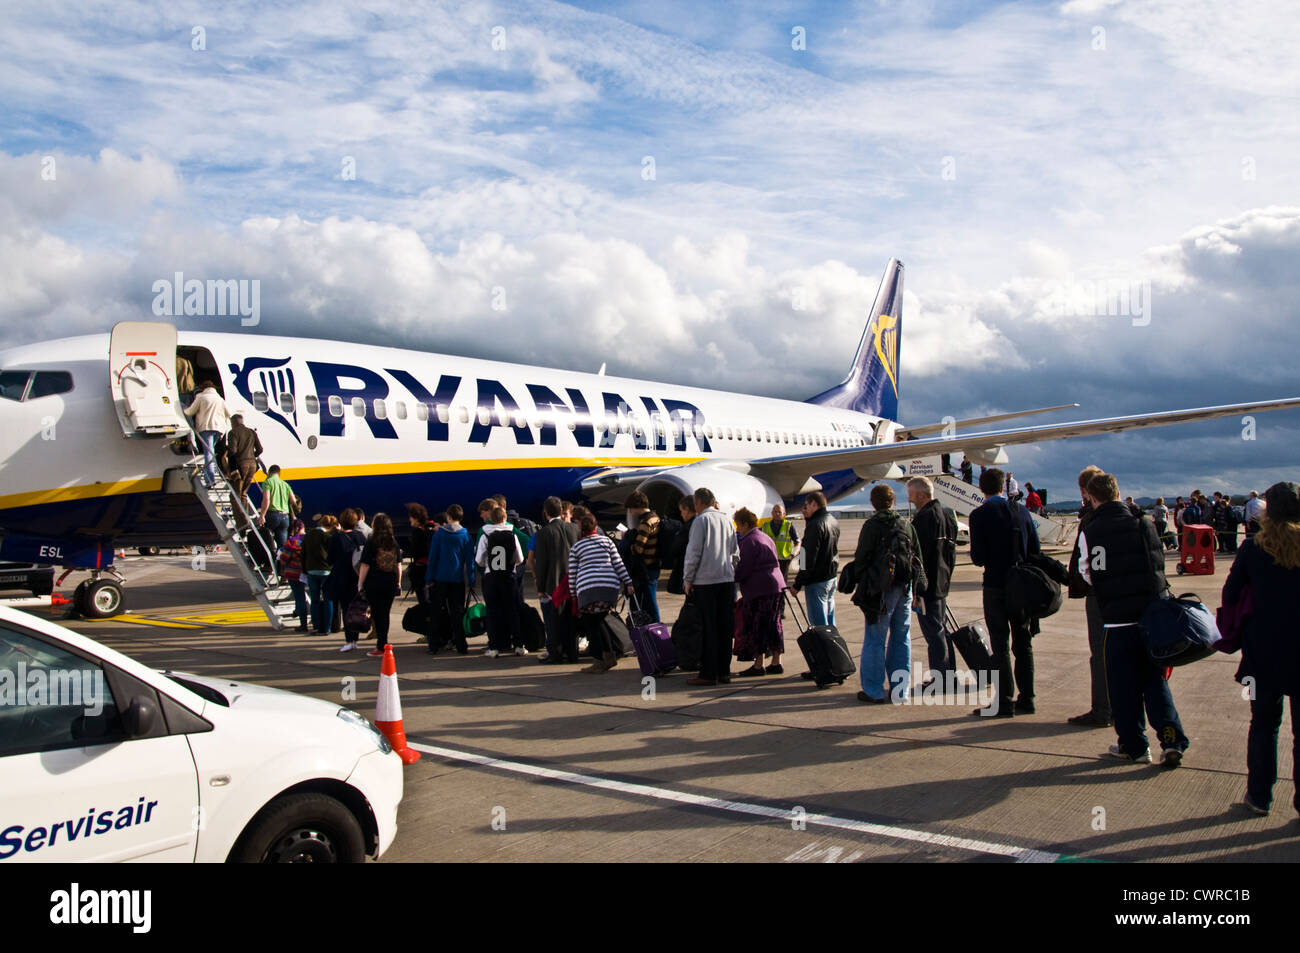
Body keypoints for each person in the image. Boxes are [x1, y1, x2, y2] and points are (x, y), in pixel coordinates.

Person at [1078, 472, 1188, 766]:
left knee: (1123, 687)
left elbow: (1088, 572)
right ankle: (1171, 739)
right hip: (1149, 618)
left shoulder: (1092, 530)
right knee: (1154, 682)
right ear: (1117, 492)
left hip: (1117, 621)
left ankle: (1135, 746)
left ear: (1092, 496)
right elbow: (1157, 563)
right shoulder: (1143, 523)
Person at [1221, 481, 1300, 815]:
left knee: (1264, 724)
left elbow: (1230, 595)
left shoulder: (1253, 549)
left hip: (1263, 650)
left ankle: (1259, 795)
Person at [969, 467, 1040, 718]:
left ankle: (1004, 700)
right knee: (1024, 642)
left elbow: (978, 558)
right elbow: (1036, 549)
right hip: (1021, 584)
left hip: (996, 585)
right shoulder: (1022, 512)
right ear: (1003, 487)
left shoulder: (979, 515)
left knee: (1000, 644)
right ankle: (1028, 698)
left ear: (981, 487)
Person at [1066, 465, 1112, 729]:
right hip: (1126, 596)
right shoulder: (1132, 516)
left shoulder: (1091, 522)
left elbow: (1089, 567)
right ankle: (1119, 707)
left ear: (1086, 491)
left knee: (1100, 653)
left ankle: (1102, 709)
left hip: (1100, 596)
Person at [682, 488, 739, 686]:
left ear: (698, 503)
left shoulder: (700, 521)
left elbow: (693, 554)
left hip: (706, 582)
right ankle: (724, 672)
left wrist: (687, 580)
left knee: (708, 628)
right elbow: (735, 552)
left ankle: (707, 673)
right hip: (726, 580)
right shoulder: (726, 520)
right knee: (725, 628)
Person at [567, 507, 635, 673]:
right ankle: (608, 655)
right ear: (595, 527)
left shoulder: (577, 547)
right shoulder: (607, 541)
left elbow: (572, 573)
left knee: (592, 624)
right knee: (599, 620)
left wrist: (573, 594)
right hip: (609, 587)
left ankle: (602, 658)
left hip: (588, 589)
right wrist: (628, 582)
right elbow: (618, 564)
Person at [908, 477, 958, 690]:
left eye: (911, 494)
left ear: (921, 495)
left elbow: (918, 556)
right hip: (942, 579)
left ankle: (942, 679)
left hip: (928, 584)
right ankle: (949, 674)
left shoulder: (924, 519)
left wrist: (917, 587)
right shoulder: (947, 515)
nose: (909, 499)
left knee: (934, 632)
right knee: (941, 629)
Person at [733, 508, 786, 677]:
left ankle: (758, 664)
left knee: (759, 625)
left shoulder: (749, 541)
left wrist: (732, 577)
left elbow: (744, 568)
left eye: (739, 525)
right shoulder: (765, 537)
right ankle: (776, 661)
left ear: (745, 524)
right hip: (776, 585)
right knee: (774, 623)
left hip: (761, 588)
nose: (738, 529)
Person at [531, 495, 580, 664]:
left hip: (555, 584)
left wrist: (540, 586)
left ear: (546, 514)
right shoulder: (574, 529)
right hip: (573, 581)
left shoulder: (543, 533)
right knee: (571, 620)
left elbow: (542, 563)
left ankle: (556, 654)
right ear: (561, 511)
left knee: (554, 622)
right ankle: (572, 653)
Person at [476, 505, 525, 657]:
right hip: (509, 576)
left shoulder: (486, 535)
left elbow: (479, 560)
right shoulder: (513, 535)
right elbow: (520, 558)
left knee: (492, 612)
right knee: (513, 610)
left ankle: (494, 647)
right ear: (505, 518)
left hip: (492, 577)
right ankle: (518, 645)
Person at [426, 504, 474, 654]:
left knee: (436, 614)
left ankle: (433, 645)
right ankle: (461, 645)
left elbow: (433, 558)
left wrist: (429, 578)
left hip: (440, 579)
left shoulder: (439, 535)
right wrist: (471, 581)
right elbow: (469, 561)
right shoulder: (466, 536)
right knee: (457, 614)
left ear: (448, 517)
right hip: (457, 580)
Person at [791, 491, 840, 628]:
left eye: (806, 505)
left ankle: (823, 649)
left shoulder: (815, 525)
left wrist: (798, 584)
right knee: (830, 622)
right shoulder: (832, 520)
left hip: (817, 580)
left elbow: (807, 557)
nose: (804, 508)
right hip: (830, 577)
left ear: (814, 504)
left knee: (819, 626)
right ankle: (833, 647)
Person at [357, 513, 402, 657]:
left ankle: (381, 646)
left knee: (377, 613)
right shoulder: (393, 541)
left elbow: (365, 565)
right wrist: (398, 582)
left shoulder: (372, 541)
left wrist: (360, 583)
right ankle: (384, 642)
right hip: (390, 581)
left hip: (374, 581)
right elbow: (399, 564)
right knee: (385, 613)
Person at [328, 508, 366, 653]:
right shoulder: (360, 536)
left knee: (346, 609)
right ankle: (355, 638)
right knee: (357, 608)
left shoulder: (336, 538)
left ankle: (350, 640)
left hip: (342, 577)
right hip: (358, 576)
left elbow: (330, 559)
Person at [621, 490, 662, 622]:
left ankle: (657, 631)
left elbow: (638, 549)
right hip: (654, 565)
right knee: (650, 600)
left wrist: (627, 541)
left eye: (631, 509)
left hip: (647, 567)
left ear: (637, 506)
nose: (630, 512)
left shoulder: (646, 523)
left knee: (650, 602)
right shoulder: (655, 518)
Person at [183, 380, 230, 488]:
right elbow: (228, 413)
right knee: (211, 451)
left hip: (206, 428)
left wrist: (181, 407)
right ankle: (210, 474)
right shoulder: (220, 399)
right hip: (219, 429)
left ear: (204, 388)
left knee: (208, 453)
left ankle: (210, 479)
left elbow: (190, 412)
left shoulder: (201, 397)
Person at [302, 514, 336, 634]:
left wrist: (305, 569)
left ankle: (316, 625)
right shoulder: (327, 536)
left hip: (311, 570)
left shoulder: (308, 535)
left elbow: (303, 553)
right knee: (328, 599)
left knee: (314, 599)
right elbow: (332, 553)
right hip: (326, 570)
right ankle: (327, 627)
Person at [256, 464, 300, 554]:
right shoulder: (285, 484)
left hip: (272, 515)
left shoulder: (268, 482)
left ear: (269, 472)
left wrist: (262, 515)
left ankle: (269, 562)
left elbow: (266, 499)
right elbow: (293, 501)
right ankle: (282, 564)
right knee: (282, 545)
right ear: (279, 473)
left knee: (267, 540)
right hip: (285, 517)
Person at [278, 518, 310, 633]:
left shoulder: (292, 541)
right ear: (303, 528)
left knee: (299, 597)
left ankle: (303, 624)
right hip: (308, 571)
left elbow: (284, 558)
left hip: (294, 573)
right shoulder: (309, 539)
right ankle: (314, 621)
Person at [225, 414, 263, 506]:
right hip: (253, 466)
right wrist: (252, 456)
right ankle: (245, 516)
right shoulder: (251, 432)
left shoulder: (233, 432)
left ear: (233, 422)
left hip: (241, 465)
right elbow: (260, 449)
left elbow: (232, 451)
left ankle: (241, 518)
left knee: (236, 495)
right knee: (244, 494)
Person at [761, 503, 801, 580]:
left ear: (784, 514)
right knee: (770, 581)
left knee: (782, 582)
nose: (777, 513)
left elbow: (797, 542)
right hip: (769, 559)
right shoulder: (765, 526)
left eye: (779, 512)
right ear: (772, 513)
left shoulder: (788, 525)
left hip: (784, 560)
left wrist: (793, 554)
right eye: (775, 511)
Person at [665, 495, 696, 594]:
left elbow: (676, 549)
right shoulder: (701, 523)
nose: (681, 515)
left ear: (687, 510)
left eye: (682, 511)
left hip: (687, 572)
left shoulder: (687, 528)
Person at [405, 503, 434, 605]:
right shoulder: (429, 529)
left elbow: (416, 551)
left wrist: (405, 553)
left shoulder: (417, 532)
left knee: (423, 600)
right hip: (431, 568)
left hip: (420, 569)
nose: (410, 519)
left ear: (416, 518)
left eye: (411, 517)